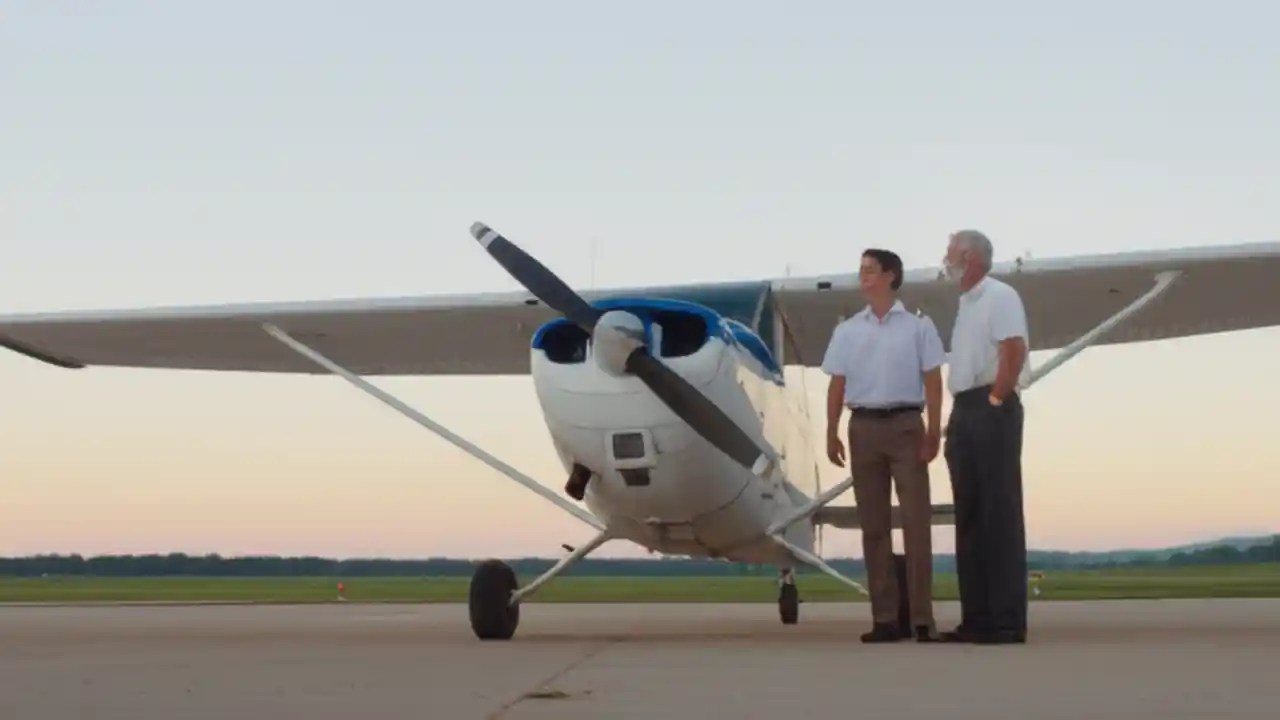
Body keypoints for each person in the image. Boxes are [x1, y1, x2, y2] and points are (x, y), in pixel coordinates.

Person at [822, 248, 946, 643]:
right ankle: (886, 619)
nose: (863, 277)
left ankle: (922, 619)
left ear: (891, 276)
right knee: (873, 526)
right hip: (864, 428)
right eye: (860, 271)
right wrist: (831, 429)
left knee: (915, 522)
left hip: (908, 424)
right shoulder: (846, 331)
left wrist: (933, 430)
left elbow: (933, 380)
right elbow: (836, 384)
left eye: (870, 271)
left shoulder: (918, 327)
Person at [940, 229, 1032, 645]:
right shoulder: (965, 305)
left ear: (970, 256)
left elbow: (1014, 348)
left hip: (990, 406)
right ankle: (976, 618)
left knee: (999, 514)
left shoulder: (1000, 295)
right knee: (971, 517)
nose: (945, 259)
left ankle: (1006, 621)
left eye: (950, 252)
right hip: (964, 409)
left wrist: (997, 396)